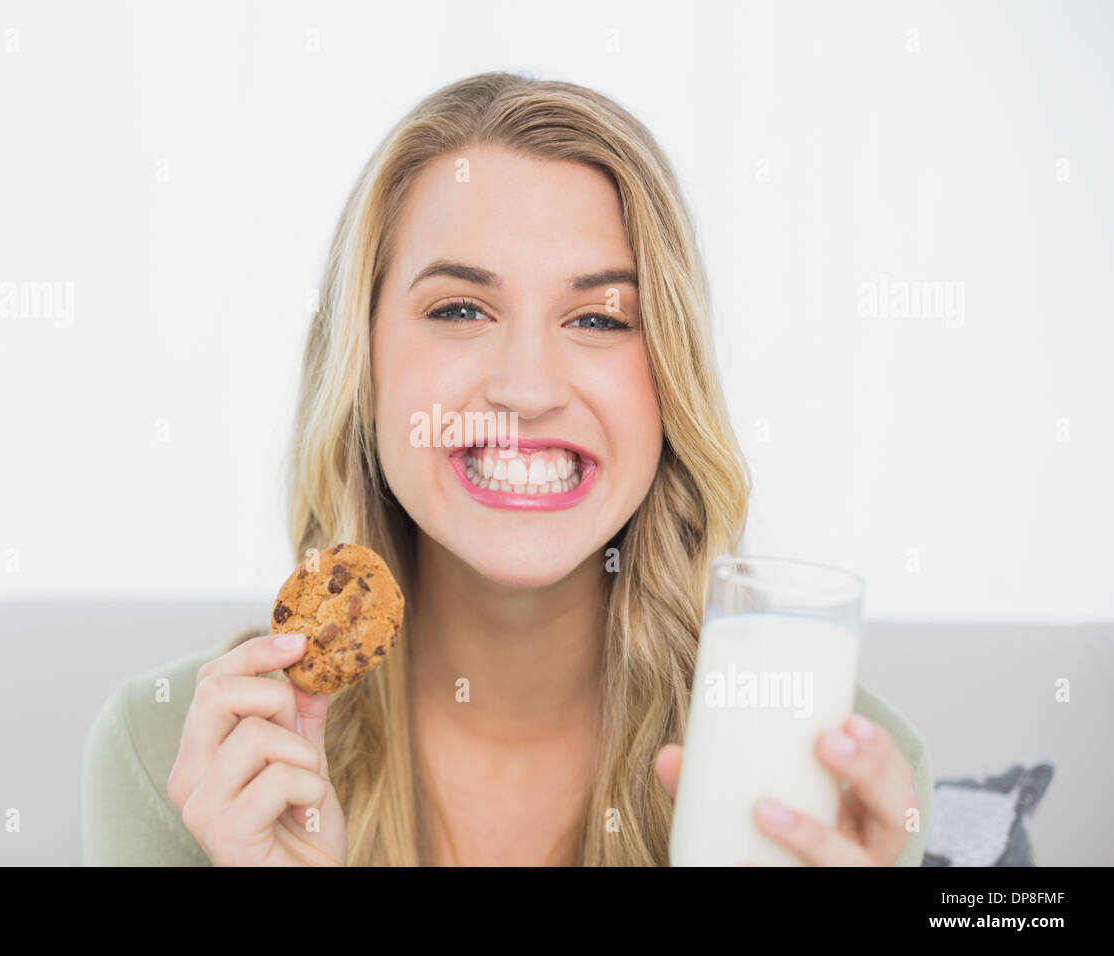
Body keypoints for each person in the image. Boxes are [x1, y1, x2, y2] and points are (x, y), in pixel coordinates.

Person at [83, 71, 930, 866]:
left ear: (672, 380)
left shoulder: (835, 777)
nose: (525, 389)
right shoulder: (180, 759)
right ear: (362, 366)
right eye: (458, 308)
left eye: (599, 319)